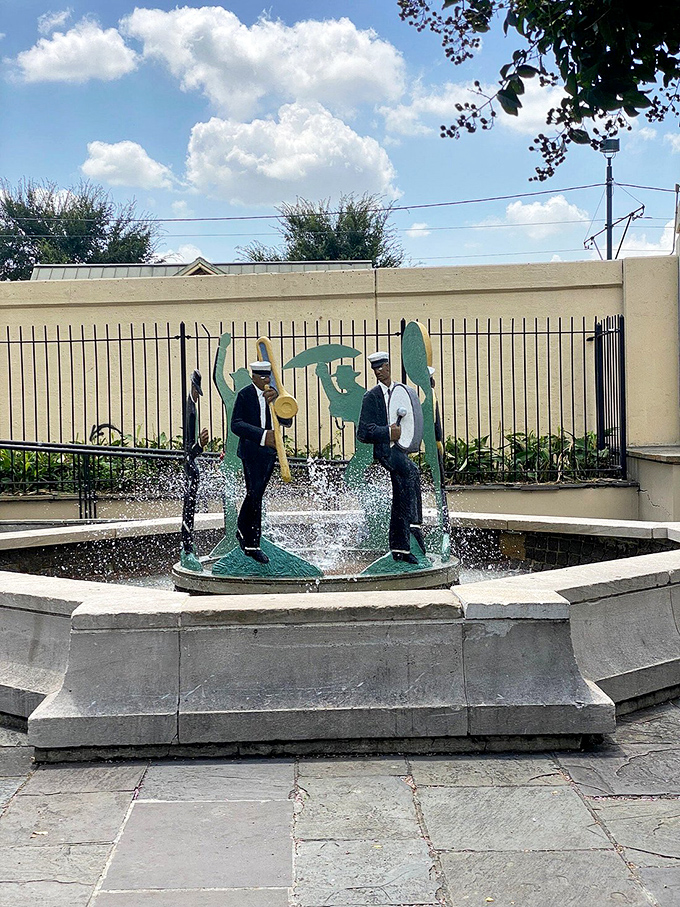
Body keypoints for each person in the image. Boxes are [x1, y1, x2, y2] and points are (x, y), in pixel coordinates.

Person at [357, 351, 425, 564]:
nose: (378, 371)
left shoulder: (402, 392)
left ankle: (408, 536)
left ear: (388, 366)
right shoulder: (371, 397)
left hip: (400, 450)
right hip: (386, 452)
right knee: (410, 475)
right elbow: (363, 432)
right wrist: (388, 432)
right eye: (374, 369)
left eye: (381, 367)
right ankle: (408, 535)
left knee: (407, 484)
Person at [230, 360, 292, 564]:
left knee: (256, 495)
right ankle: (252, 544)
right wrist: (264, 435)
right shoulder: (245, 395)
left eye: (268, 376)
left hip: (270, 453)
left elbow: (287, 421)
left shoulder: (274, 394)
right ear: (253, 377)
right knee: (254, 494)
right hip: (251, 451)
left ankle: (243, 532)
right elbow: (236, 425)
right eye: (262, 377)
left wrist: (280, 402)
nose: (266, 380)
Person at [181, 369, 210, 570]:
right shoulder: (190, 411)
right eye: (196, 390)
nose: (198, 395)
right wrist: (200, 444)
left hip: (192, 466)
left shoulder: (191, 407)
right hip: (190, 467)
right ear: (193, 387)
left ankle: (189, 545)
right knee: (189, 509)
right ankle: (187, 547)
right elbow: (188, 450)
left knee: (191, 507)